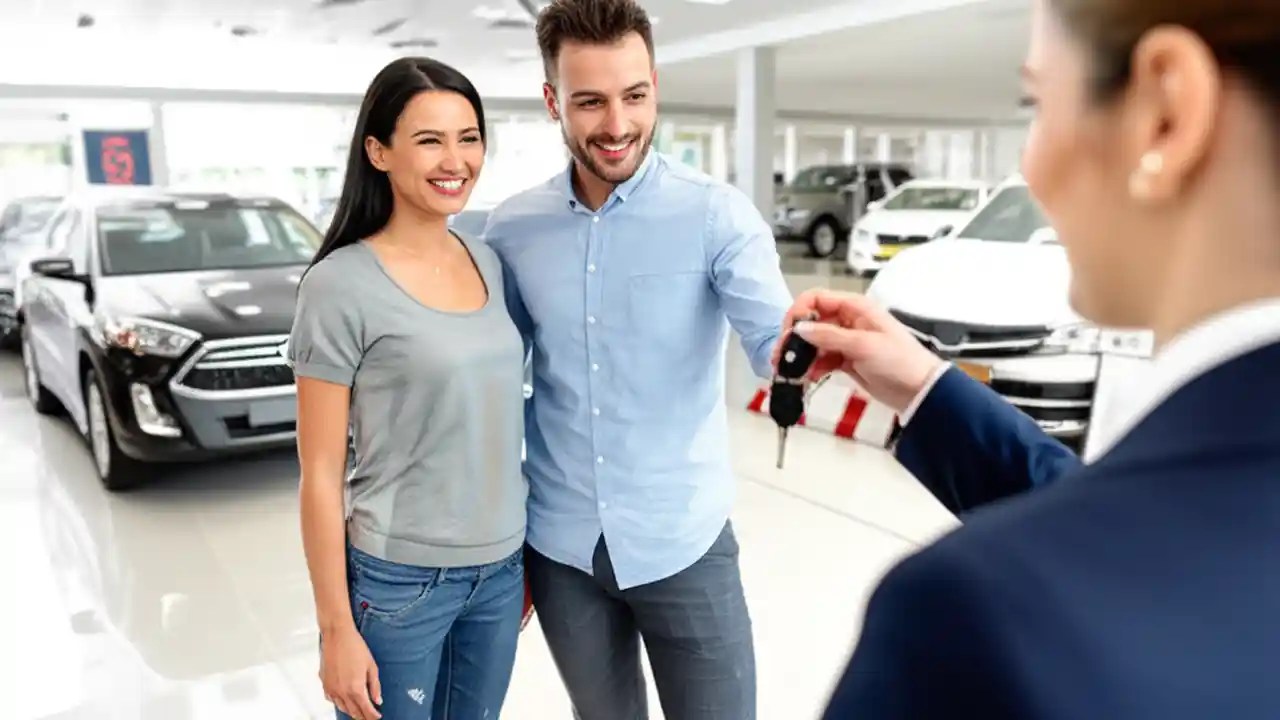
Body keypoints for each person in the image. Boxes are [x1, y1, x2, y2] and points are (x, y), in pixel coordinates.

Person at [777, 0, 1280, 716]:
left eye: (1038, 103)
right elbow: (1145, 535)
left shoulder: (970, 624)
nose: (1030, 167)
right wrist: (926, 387)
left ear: (1168, 113)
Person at [481, 1, 793, 717]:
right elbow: (492, 372)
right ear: (552, 101)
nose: (616, 125)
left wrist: (806, 356)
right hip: (560, 546)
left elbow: (772, 339)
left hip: (681, 540)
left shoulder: (716, 215)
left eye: (635, 96)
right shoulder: (514, 228)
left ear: (655, 84)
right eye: (590, 101)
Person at [288, 57, 528, 720]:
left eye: (469, 137)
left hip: (503, 573)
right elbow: (319, 471)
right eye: (429, 140)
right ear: (379, 151)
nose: (456, 160)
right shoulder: (339, 285)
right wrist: (336, 627)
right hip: (399, 583)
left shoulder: (488, 259)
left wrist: (520, 556)